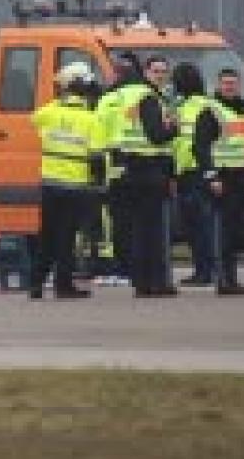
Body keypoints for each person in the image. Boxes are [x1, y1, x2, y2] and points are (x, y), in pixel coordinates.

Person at [29, 62, 102, 299]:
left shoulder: (50, 112)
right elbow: (97, 156)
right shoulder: (91, 119)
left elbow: (35, 118)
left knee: (47, 235)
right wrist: (98, 183)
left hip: (50, 185)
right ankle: (63, 285)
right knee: (66, 237)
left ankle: (36, 284)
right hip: (75, 187)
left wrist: (60, 98)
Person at [110, 56, 178, 298]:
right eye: (156, 71)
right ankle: (155, 282)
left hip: (131, 168)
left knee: (139, 229)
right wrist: (174, 128)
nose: (160, 75)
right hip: (149, 170)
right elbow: (157, 136)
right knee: (153, 231)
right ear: (146, 72)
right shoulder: (148, 98)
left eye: (163, 71)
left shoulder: (128, 95)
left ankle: (142, 282)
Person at [208, 68, 244, 295]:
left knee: (235, 231)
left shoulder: (242, 110)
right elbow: (201, 147)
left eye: (233, 83)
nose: (229, 87)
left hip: (241, 175)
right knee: (224, 231)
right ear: (218, 86)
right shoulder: (213, 111)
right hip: (223, 177)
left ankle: (232, 279)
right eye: (225, 83)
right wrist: (213, 176)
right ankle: (225, 280)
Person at [97, 51, 143, 280]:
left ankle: (121, 267)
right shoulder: (145, 95)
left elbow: (98, 134)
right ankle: (136, 268)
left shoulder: (108, 99)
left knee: (118, 221)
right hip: (141, 163)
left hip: (113, 164)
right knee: (138, 221)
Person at [172, 62, 219, 287]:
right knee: (195, 225)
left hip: (195, 172)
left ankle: (205, 270)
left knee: (199, 225)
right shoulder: (187, 105)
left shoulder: (199, 107)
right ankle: (202, 269)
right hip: (187, 171)